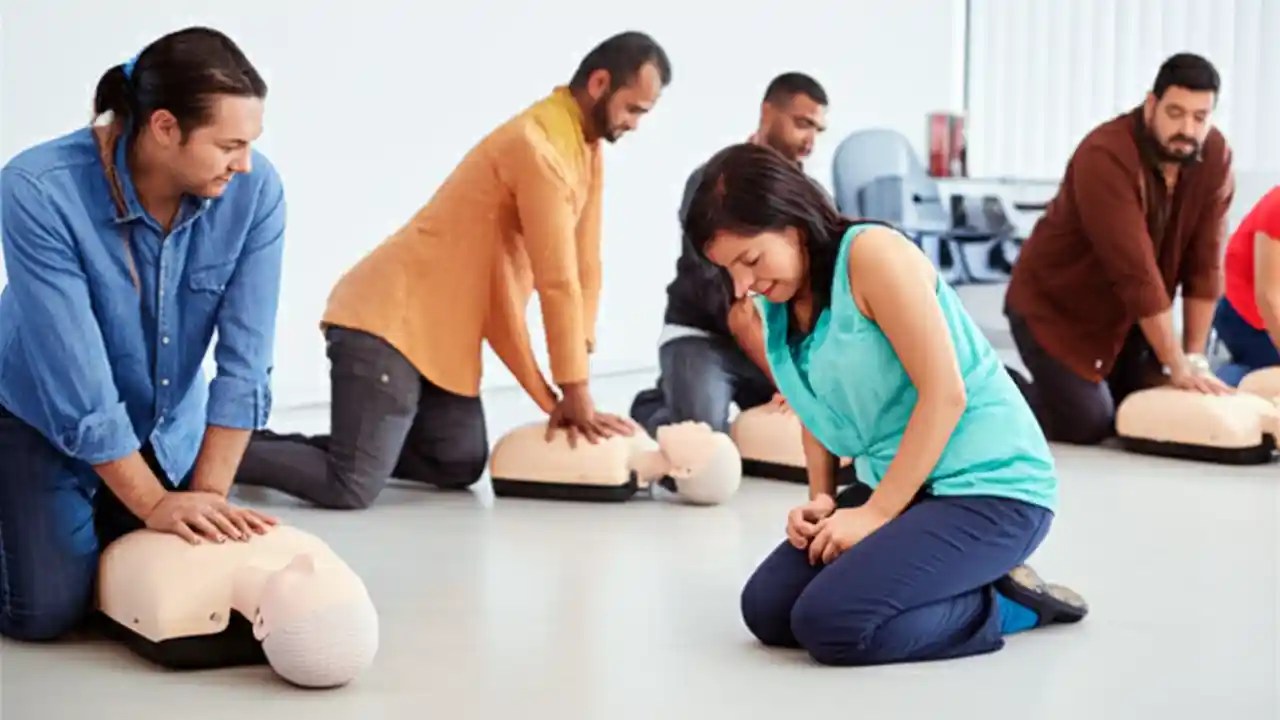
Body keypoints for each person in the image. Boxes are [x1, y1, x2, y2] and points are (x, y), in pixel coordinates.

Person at [685, 143, 1087, 667]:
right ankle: (939, 577)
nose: (742, 284)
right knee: (768, 611)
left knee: (833, 625)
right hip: (903, 486)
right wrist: (823, 503)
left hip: (991, 490)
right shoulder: (780, 300)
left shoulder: (874, 256)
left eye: (750, 260)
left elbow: (945, 394)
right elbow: (814, 411)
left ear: (792, 223)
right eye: (728, 271)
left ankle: (1005, 602)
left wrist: (874, 514)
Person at [234, 31, 672, 509]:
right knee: (352, 486)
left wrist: (577, 367)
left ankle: (324, 447)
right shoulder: (536, 145)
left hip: (441, 339)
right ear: (600, 82)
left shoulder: (585, 150)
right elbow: (557, 280)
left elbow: (586, 263)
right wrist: (572, 392)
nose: (634, 124)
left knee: (457, 461)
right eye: (633, 109)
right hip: (387, 322)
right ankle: (214, 452)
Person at [0, 27, 284, 642]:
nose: (246, 163)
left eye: (251, 143)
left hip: (163, 421)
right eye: (229, 144)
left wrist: (204, 503)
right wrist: (154, 504)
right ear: (163, 127)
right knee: (46, 613)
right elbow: (77, 383)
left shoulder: (256, 192)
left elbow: (246, 361)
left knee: (172, 567)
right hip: (42, 418)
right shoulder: (37, 189)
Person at [1003, 52, 1235, 445]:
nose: (1187, 128)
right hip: (1058, 312)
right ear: (1151, 104)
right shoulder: (1105, 154)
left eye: (1200, 117)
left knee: (1139, 410)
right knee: (1088, 424)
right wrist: (1173, 361)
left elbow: (1205, 266)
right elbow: (1135, 270)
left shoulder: (1214, 156)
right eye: (1175, 113)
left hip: (1128, 324)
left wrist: (1193, 360)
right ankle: (991, 388)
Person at [629, 73, 828, 436]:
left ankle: (681, 393)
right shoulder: (711, 184)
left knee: (818, 422)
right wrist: (786, 379)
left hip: (769, 345)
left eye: (817, 130)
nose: (810, 141)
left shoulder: (810, 197)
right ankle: (654, 406)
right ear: (768, 112)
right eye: (802, 124)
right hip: (703, 335)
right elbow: (724, 296)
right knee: (702, 442)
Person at [1213, 186, 1280, 382]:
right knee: (1266, 375)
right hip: (1247, 315)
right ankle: (1226, 384)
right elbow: (1267, 297)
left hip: (1267, 305)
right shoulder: (1278, 206)